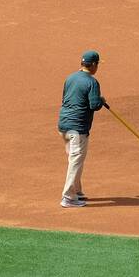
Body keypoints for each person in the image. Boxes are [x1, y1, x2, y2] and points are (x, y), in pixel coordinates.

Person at [57, 50, 109, 207]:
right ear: (92, 65)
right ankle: (68, 198)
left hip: (63, 126)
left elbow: (66, 98)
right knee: (76, 160)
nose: (97, 67)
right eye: (97, 64)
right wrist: (100, 100)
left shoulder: (70, 78)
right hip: (77, 128)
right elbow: (94, 105)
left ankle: (77, 192)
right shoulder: (92, 82)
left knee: (74, 159)